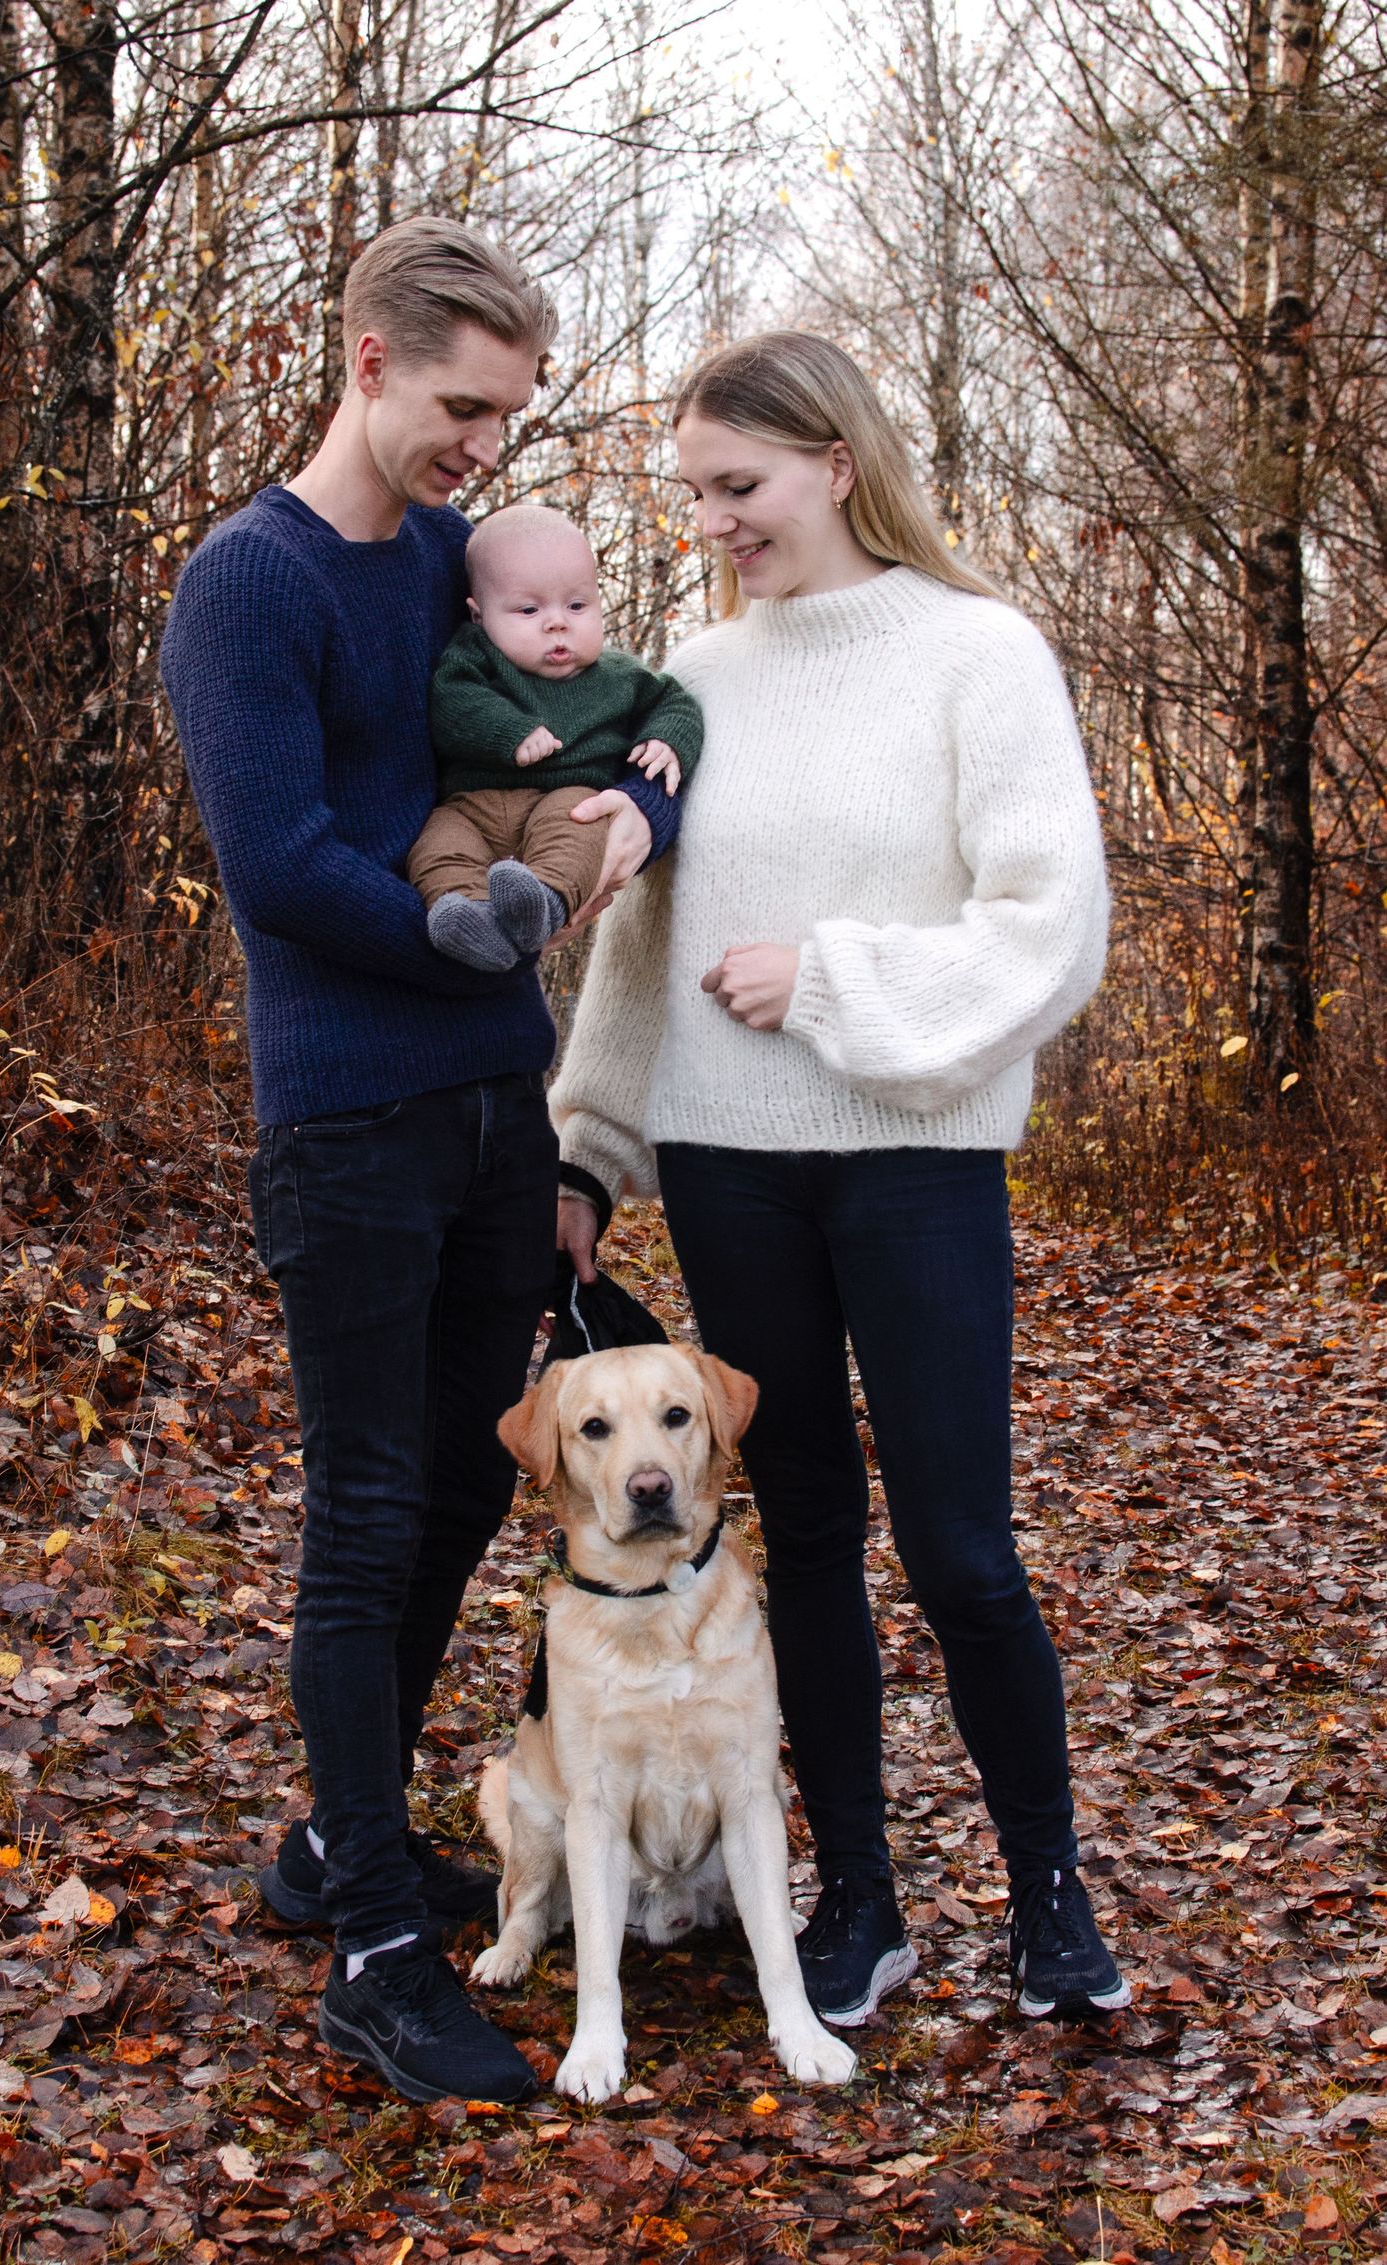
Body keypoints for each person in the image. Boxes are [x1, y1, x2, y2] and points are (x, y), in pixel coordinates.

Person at [159, 216, 679, 2106]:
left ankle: (332, 1843)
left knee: (476, 1480)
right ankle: (378, 1943)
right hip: (351, 1115)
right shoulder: (248, 585)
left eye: (510, 411)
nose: (483, 443)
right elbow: (282, 865)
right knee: (367, 1511)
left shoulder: (471, 569)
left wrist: (628, 804)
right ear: (365, 360)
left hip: (494, 1119)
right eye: (462, 403)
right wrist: (483, 929)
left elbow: (589, 716)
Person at [552, 331, 1131, 2028]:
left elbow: (1050, 925)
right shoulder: (696, 683)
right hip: (732, 1168)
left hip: (916, 1162)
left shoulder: (981, 655)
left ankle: (1049, 1896)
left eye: (739, 489)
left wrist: (833, 982)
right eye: (696, 499)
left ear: (838, 466)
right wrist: (591, 1142)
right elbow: (645, 943)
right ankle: (857, 1901)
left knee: (962, 1550)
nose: (715, 526)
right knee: (800, 1530)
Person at [410, 503, 703, 969]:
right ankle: (466, 916)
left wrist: (666, 739)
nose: (557, 622)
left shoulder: (619, 675)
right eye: (529, 609)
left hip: (566, 798)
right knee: (437, 843)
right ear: (479, 615)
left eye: (577, 605)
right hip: (472, 804)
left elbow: (674, 702)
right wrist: (510, 731)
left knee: (580, 832)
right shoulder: (474, 660)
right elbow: (452, 704)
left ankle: (541, 904)